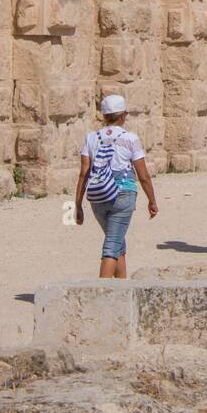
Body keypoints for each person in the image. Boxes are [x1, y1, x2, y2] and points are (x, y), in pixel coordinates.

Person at [74, 95, 158, 278]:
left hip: (97, 196)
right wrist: (152, 200)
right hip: (123, 194)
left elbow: (84, 172)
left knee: (117, 241)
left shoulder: (91, 138)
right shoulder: (130, 138)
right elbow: (143, 176)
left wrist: (78, 204)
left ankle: (121, 287)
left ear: (104, 116)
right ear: (123, 116)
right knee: (112, 244)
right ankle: (102, 294)